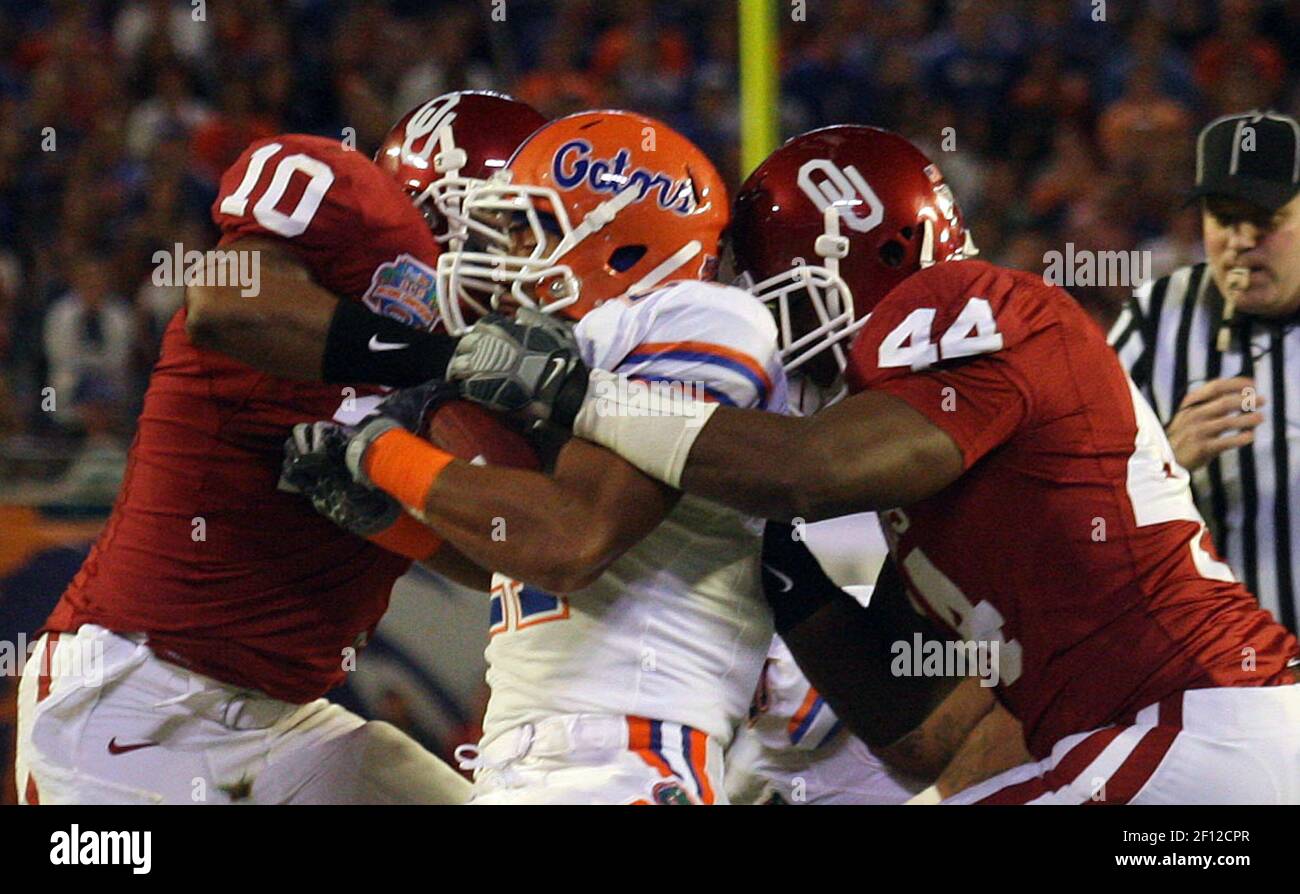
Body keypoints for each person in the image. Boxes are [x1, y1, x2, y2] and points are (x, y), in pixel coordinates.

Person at [449, 125, 1300, 804]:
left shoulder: (966, 300)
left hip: (1195, 728)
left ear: (869, 253)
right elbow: (915, 727)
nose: (785, 342)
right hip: (1170, 746)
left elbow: (809, 469)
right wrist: (772, 569)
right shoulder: (938, 487)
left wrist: (576, 394)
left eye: (785, 295)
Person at [15, 92, 544, 805]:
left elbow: (500, 563)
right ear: (442, 202)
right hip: (135, 695)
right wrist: (438, 357)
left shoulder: (491, 353)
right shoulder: (348, 207)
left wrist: (388, 508)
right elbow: (224, 306)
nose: (529, 254)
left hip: (286, 719)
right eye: (514, 225)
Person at [283, 109, 779, 805]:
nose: (508, 253)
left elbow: (568, 542)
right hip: (540, 763)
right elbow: (517, 567)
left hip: (627, 757)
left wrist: (385, 455)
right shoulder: (583, 365)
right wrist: (396, 522)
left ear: (622, 237)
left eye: (527, 226)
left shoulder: (695, 317)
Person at [1110, 110, 1300, 636]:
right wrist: (1163, 461)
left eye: (1264, 218)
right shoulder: (1156, 318)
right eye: (1222, 217)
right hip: (1220, 681)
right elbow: (1078, 500)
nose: (1240, 240)